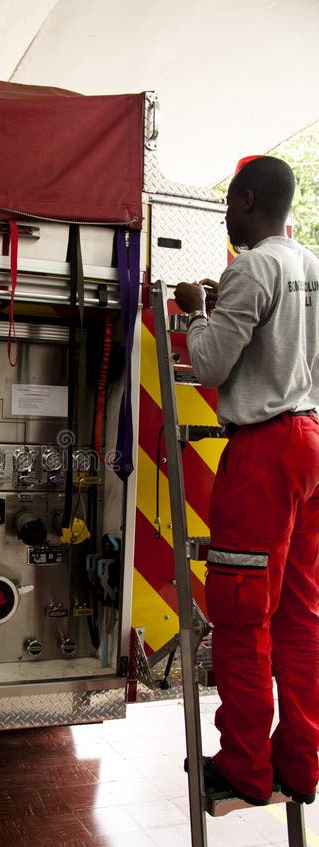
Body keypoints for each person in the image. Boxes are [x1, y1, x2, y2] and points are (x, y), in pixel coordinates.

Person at [174, 155, 319, 807]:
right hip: (310, 444)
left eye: (229, 204)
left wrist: (195, 310)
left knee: (241, 615)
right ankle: (299, 765)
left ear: (250, 200)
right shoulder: (310, 265)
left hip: (263, 454)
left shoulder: (253, 267)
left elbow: (208, 364)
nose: (226, 218)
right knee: (300, 615)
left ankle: (244, 768)